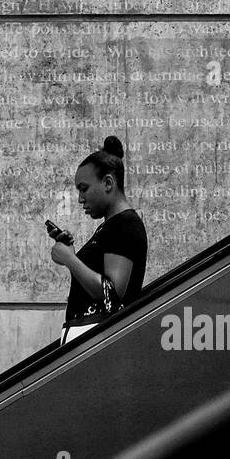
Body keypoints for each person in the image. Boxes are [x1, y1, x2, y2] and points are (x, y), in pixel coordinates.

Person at [51, 135, 148, 345]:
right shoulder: (114, 226)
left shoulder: (125, 225)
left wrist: (70, 260)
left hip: (101, 346)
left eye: (84, 188)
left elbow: (112, 295)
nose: (80, 199)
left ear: (108, 183)